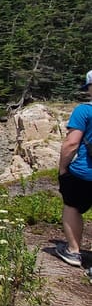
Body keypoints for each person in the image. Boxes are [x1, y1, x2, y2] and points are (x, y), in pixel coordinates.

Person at [57, 71, 92, 267]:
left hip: (85, 174)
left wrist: (63, 169)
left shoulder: (84, 111)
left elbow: (71, 144)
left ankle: (73, 251)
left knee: (72, 206)